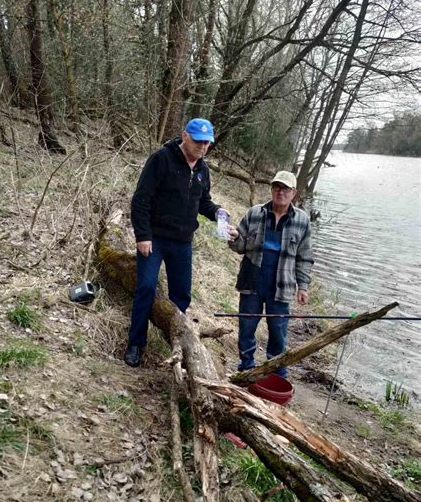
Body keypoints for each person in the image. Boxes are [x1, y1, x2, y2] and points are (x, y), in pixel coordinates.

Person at [124, 118, 226, 367]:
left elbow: (203, 202)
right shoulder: (162, 159)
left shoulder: (203, 170)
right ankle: (136, 344)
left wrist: (220, 215)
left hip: (182, 243)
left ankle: (175, 343)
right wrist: (143, 236)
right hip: (155, 239)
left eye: (207, 143)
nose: (203, 147)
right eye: (199, 141)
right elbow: (141, 199)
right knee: (146, 288)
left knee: (181, 296)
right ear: (185, 136)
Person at [227, 171, 314, 376]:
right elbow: (239, 247)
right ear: (271, 189)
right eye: (276, 187)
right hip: (252, 282)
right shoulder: (254, 213)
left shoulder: (302, 220)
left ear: (294, 193)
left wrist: (303, 286)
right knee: (246, 329)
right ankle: (246, 369)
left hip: (282, 286)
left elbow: (304, 257)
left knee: (278, 333)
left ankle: (277, 374)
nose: (280, 192)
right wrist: (233, 237)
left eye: (285, 189)